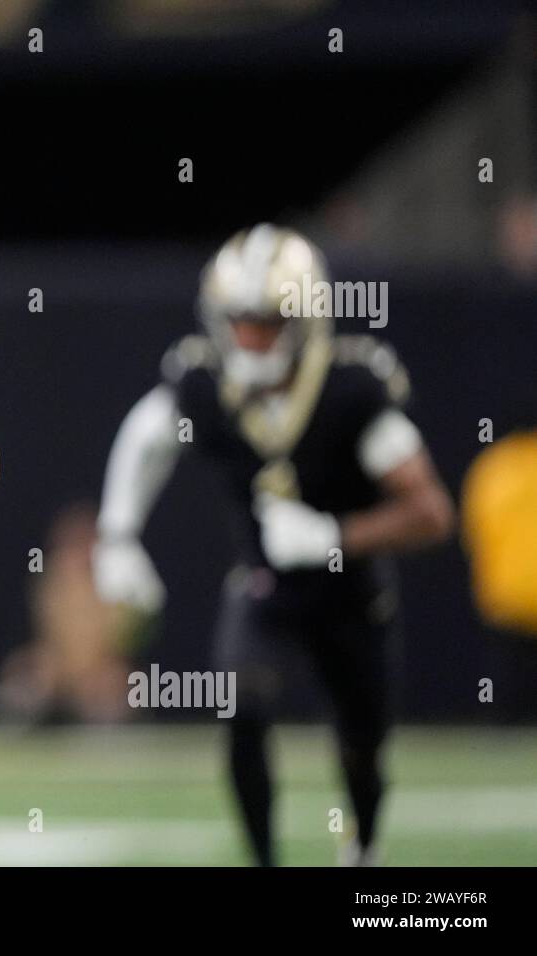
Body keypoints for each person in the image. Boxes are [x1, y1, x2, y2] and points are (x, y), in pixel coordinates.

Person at [92, 224, 454, 865]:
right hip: (267, 585)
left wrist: (334, 535)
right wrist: (117, 537)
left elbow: (430, 513)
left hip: (353, 592)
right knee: (241, 707)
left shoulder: (348, 389)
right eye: (238, 320)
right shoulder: (205, 382)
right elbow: (147, 437)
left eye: (266, 321)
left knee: (361, 747)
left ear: (305, 319)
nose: (249, 337)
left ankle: (364, 848)